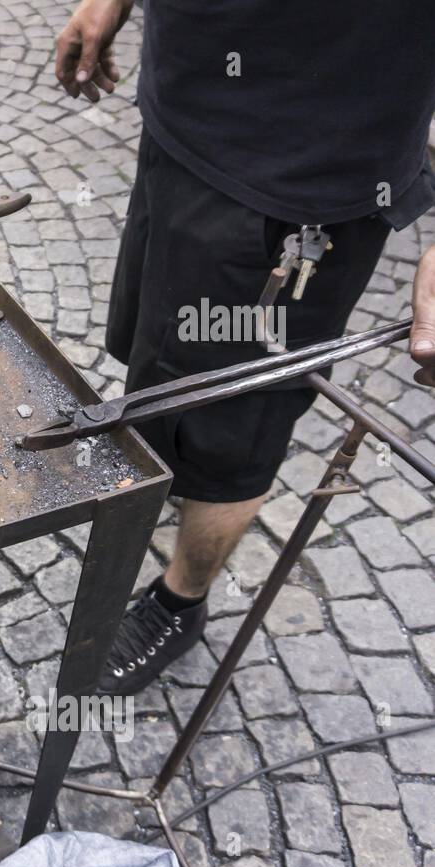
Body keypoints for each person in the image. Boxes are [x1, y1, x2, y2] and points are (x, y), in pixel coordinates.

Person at [52, 0, 435, 694]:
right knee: (158, 348)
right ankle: (162, 471)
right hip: (183, 114)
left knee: (234, 428)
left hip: (302, 188)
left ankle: (181, 600)